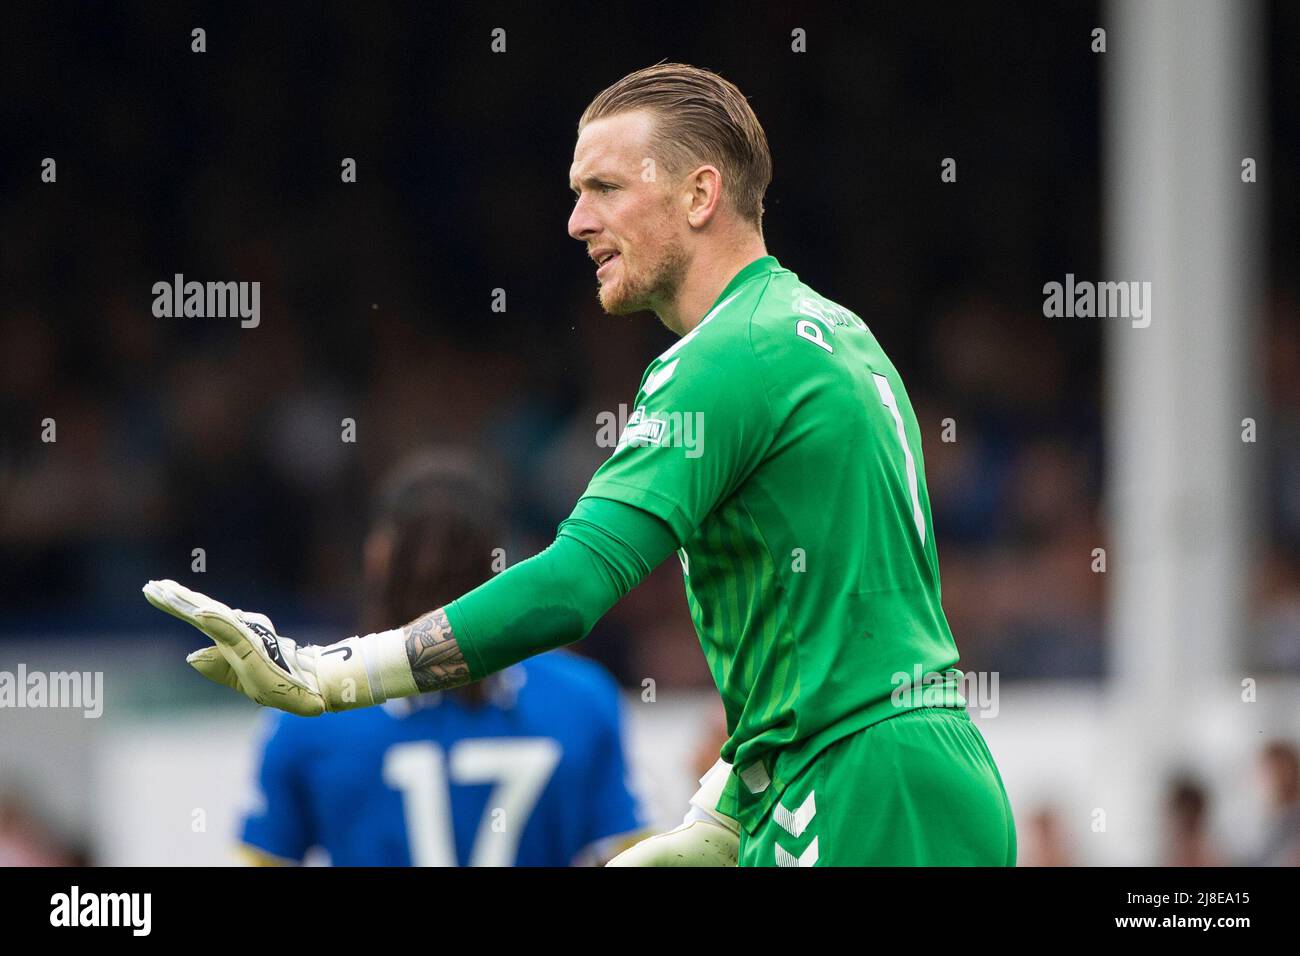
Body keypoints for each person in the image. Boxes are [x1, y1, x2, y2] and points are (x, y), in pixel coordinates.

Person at [146, 63, 1016, 867]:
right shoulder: (836, 334)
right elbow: (850, 614)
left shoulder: (723, 358)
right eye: (575, 193)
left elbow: (573, 584)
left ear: (700, 193)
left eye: (604, 188)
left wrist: (334, 673)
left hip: (865, 785)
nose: (576, 222)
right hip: (910, 768)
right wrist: (726, 808)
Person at [237, 450, 646, 866]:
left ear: (378, 556)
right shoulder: (580, 698)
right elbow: (629, 855)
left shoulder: (314, 709)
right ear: (501, 564)